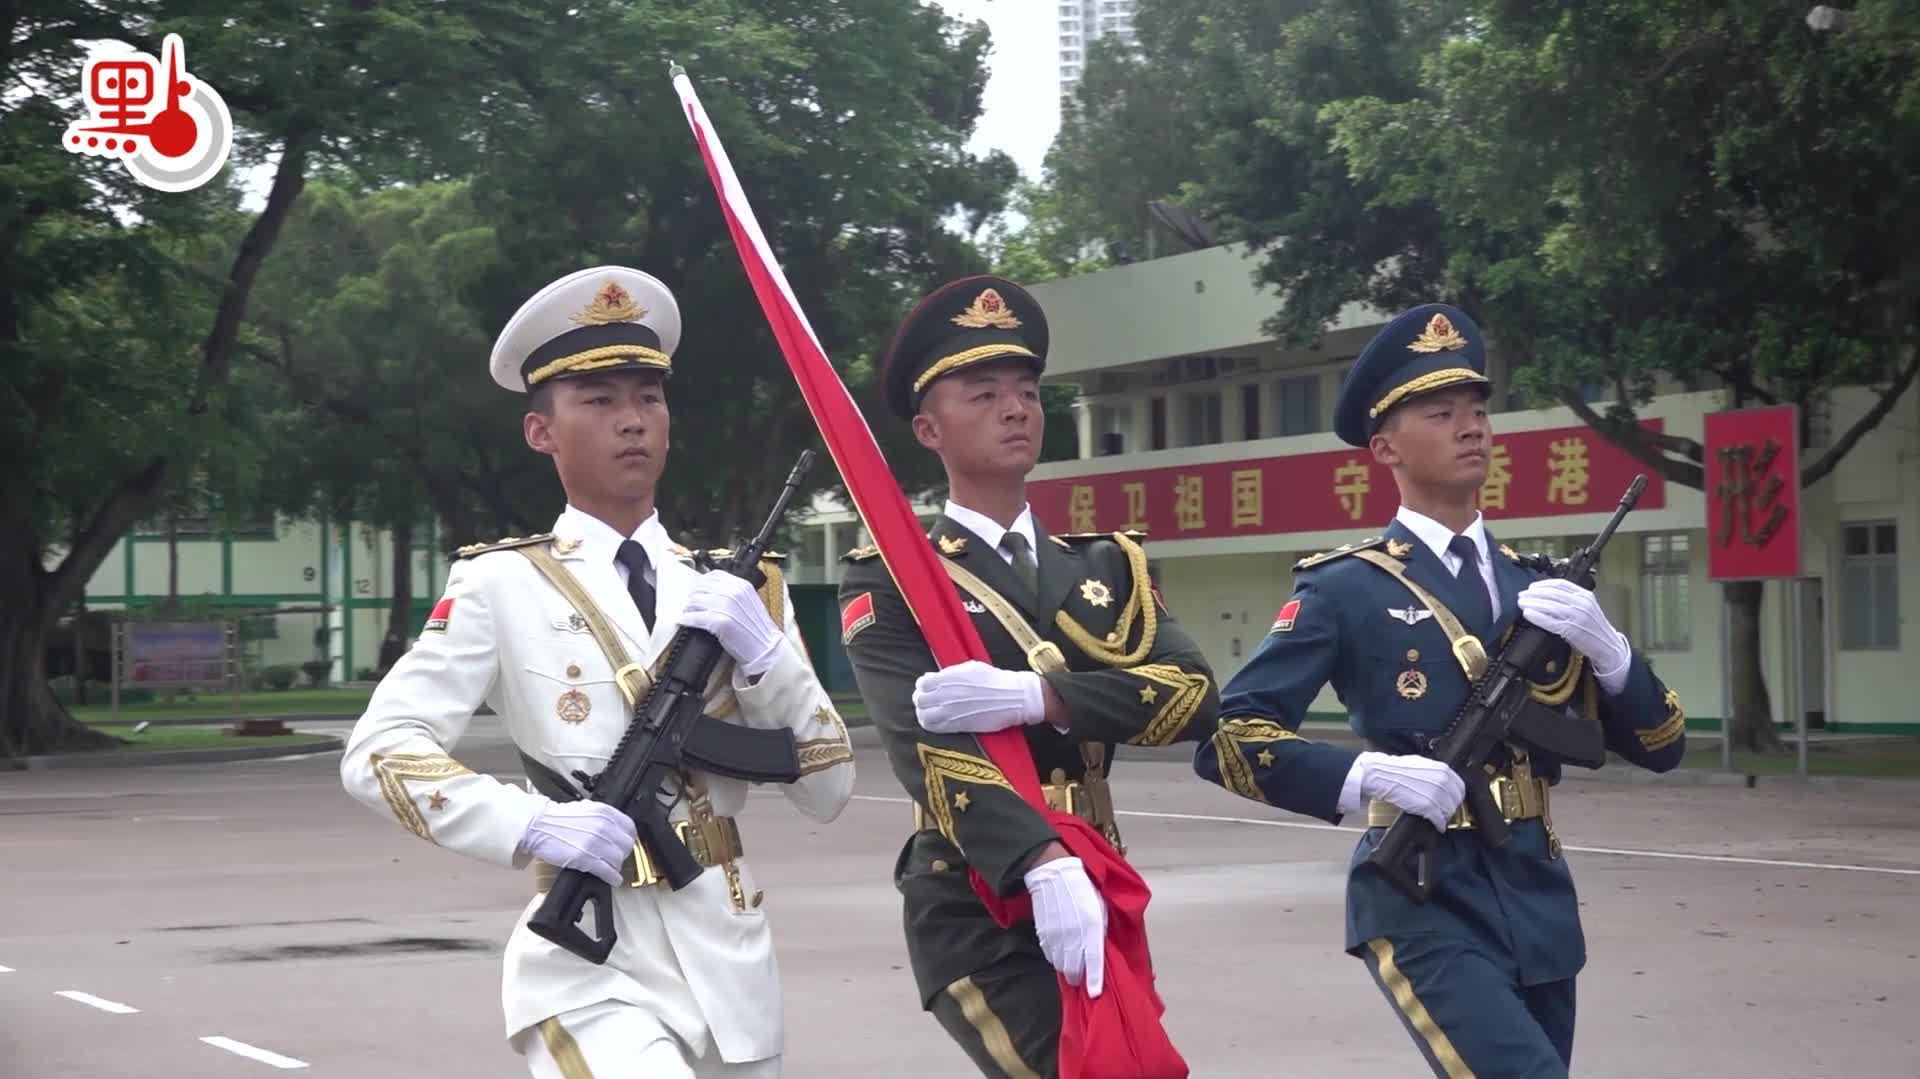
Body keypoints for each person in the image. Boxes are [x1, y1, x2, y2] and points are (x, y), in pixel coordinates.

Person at [338, 266, 855, 1079]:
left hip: (728, 953)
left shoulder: (736, 590)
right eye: (601, 400)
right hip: (589, 960)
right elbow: (379, 751)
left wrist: (765, 654)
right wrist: (528, 824)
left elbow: (828, 789)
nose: (632, 421)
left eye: (649, 397)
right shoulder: (499, 583)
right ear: (541, 432)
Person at [1192, 303, 1688, 1078]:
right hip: (1423, 895)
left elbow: (1662, 745)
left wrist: (1612, 650)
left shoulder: (1540, 588)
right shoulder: (1345, 588)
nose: (1471, 427)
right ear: (1385, 445)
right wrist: (1363, 777)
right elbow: (1232, 735)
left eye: (1479, 410)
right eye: (1441, 411)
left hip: (1537, 894)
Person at [835, 274, 1221, 1078]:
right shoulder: (892, 579)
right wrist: (1039, 863)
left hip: (1101, 870)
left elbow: (1191, 694)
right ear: (927, 427)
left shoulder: (1108, 563)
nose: (1015, 409)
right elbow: (926, 752)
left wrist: (1041, 696)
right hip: (976, 890)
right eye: (983, 393)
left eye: (1026, 391)